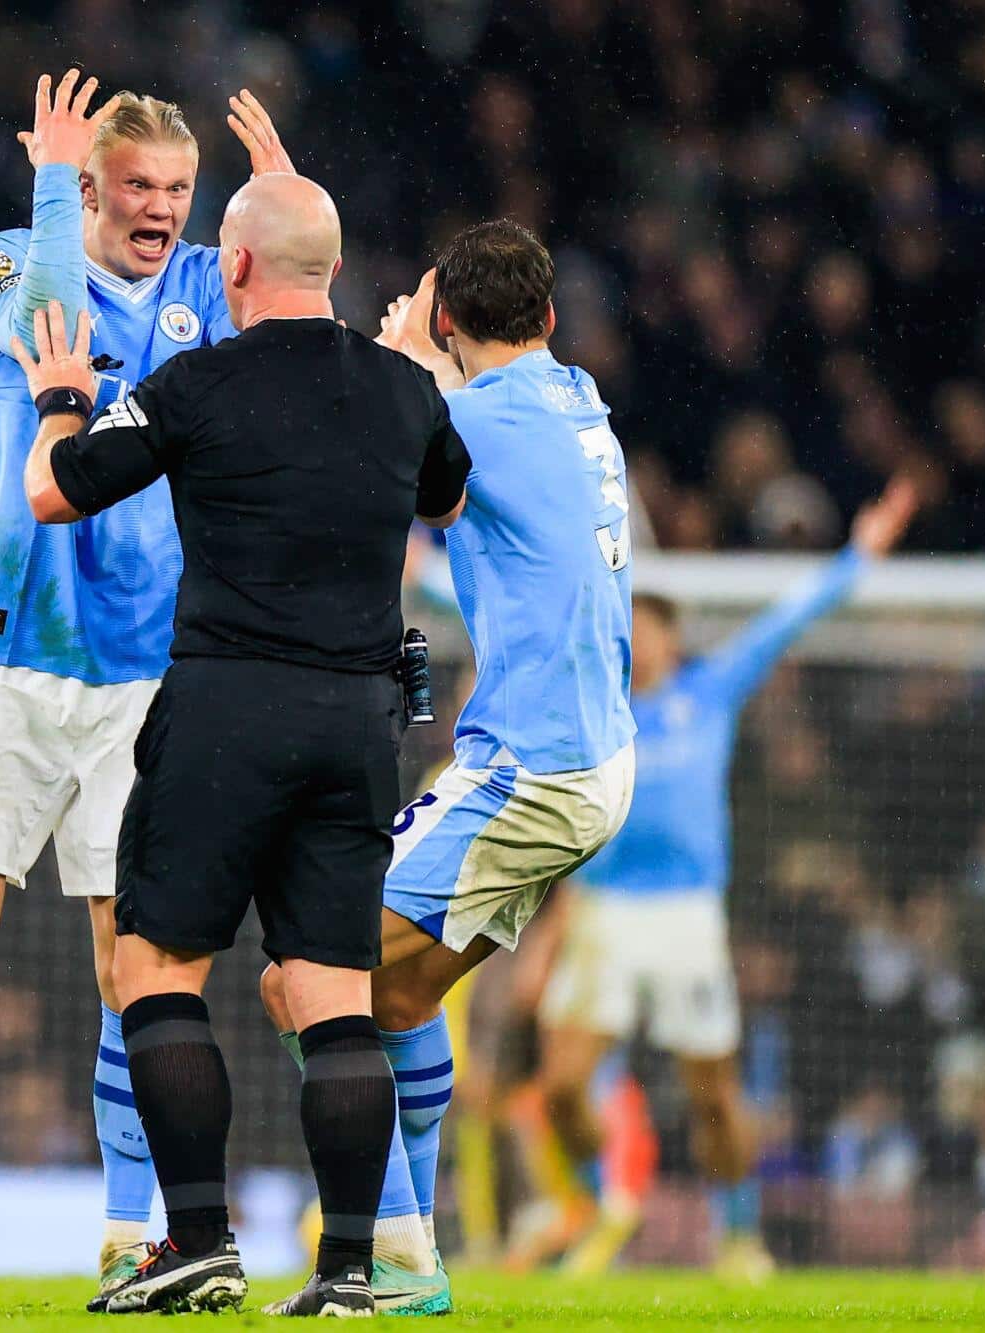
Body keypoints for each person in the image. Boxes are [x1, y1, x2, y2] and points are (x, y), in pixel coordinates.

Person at [0, 70, 300, 1313]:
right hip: (6, 660)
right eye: (137, 187)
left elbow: (295, 321)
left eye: (179, 194)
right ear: (87, 186)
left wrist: (280, 198)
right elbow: (47, 332)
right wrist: (41, 188)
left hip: (147, 678)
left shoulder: (202, 287)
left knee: (131, 965)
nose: (160, 212)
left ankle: (131, 1236)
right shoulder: (3, 259)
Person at [15, 169, 473, 1317]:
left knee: (153, 969)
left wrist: (62, 397)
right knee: (332, 992)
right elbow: (447, 499)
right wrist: (409, 368)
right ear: (330, 270)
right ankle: (352, 1269)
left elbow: (56, 494)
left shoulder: (195, 384)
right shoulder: (402, 390)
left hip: (226, 709)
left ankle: (198, 1242)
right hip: (356, 723)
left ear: (231, 270)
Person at [259, 218, 638, 1317]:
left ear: (446, 322)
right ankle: (409, 1264)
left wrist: (400, 361)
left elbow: (357, 433)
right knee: (397, 993)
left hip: (532, 763)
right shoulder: (578, 405)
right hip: (591, 764)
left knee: (302, 974)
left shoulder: (466, 417)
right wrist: (425, 364)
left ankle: (389, 1251)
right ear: (551, 317)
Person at [537, 477, 919, 1280]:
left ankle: (737, 1232)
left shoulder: (709, 693)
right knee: (564, 1088)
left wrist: (859, 555)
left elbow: (788, 622)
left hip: (686, 917)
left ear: (673, 639)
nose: (637, 636)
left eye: (650, 625)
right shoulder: (592, 701)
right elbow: (505, 614)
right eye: (628, 624)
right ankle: (609, 1201)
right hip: (604, 912)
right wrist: (417, 574)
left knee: (714, 1094)